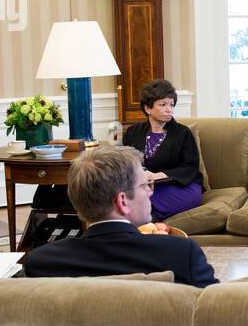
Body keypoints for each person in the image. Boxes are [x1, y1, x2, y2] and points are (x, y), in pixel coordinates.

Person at [22, 146, 218, 287]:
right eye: (145, 186)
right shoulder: (181, 255)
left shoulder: (42, 263)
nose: (150, 192)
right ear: (122, 201)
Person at [121, 79, 205, 222]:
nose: (169, 109)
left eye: (171, 105)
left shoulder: (182, 133)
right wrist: (143, 175)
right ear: (148, 108)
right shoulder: (133, 132)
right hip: (145, 185)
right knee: (132, 195)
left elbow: (190, 168)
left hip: (181, 186)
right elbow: (126, 161)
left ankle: (144, 224)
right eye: (163, 105)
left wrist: (157, 175)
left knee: (141, 200)